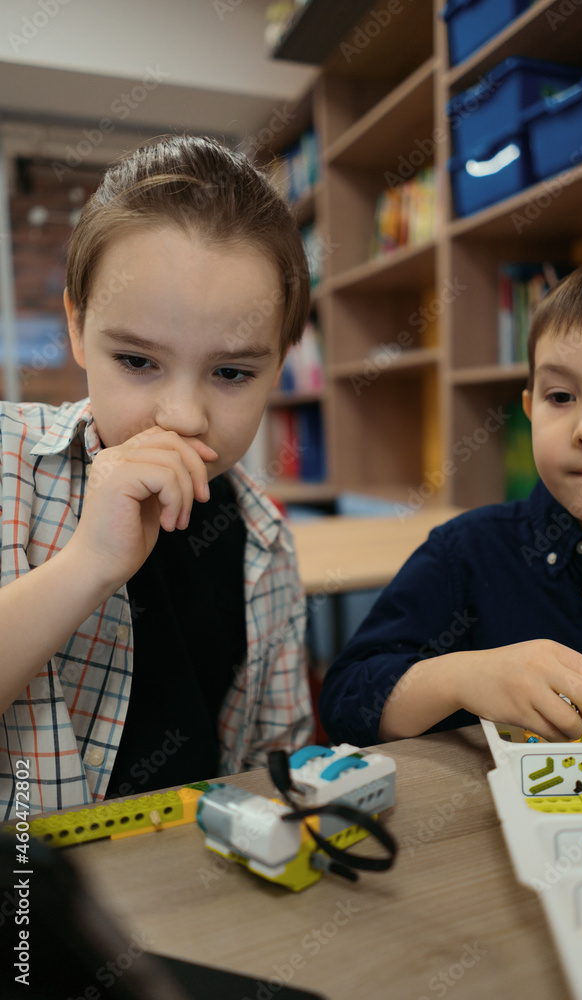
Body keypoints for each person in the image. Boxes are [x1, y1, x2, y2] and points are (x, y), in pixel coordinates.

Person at [0, 135, 314, 821]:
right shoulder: (7, 465)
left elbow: (270, 770)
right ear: (79, 328)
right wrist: (87, 566)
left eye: (231, 373)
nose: (183, 416)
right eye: (138, 361)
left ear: (281, 361)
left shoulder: (265, 544)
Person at [319, 246, 582, 748]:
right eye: (561, 397)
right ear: (529, 407)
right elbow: (347, 702)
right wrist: (463, 677)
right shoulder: (466, 552)